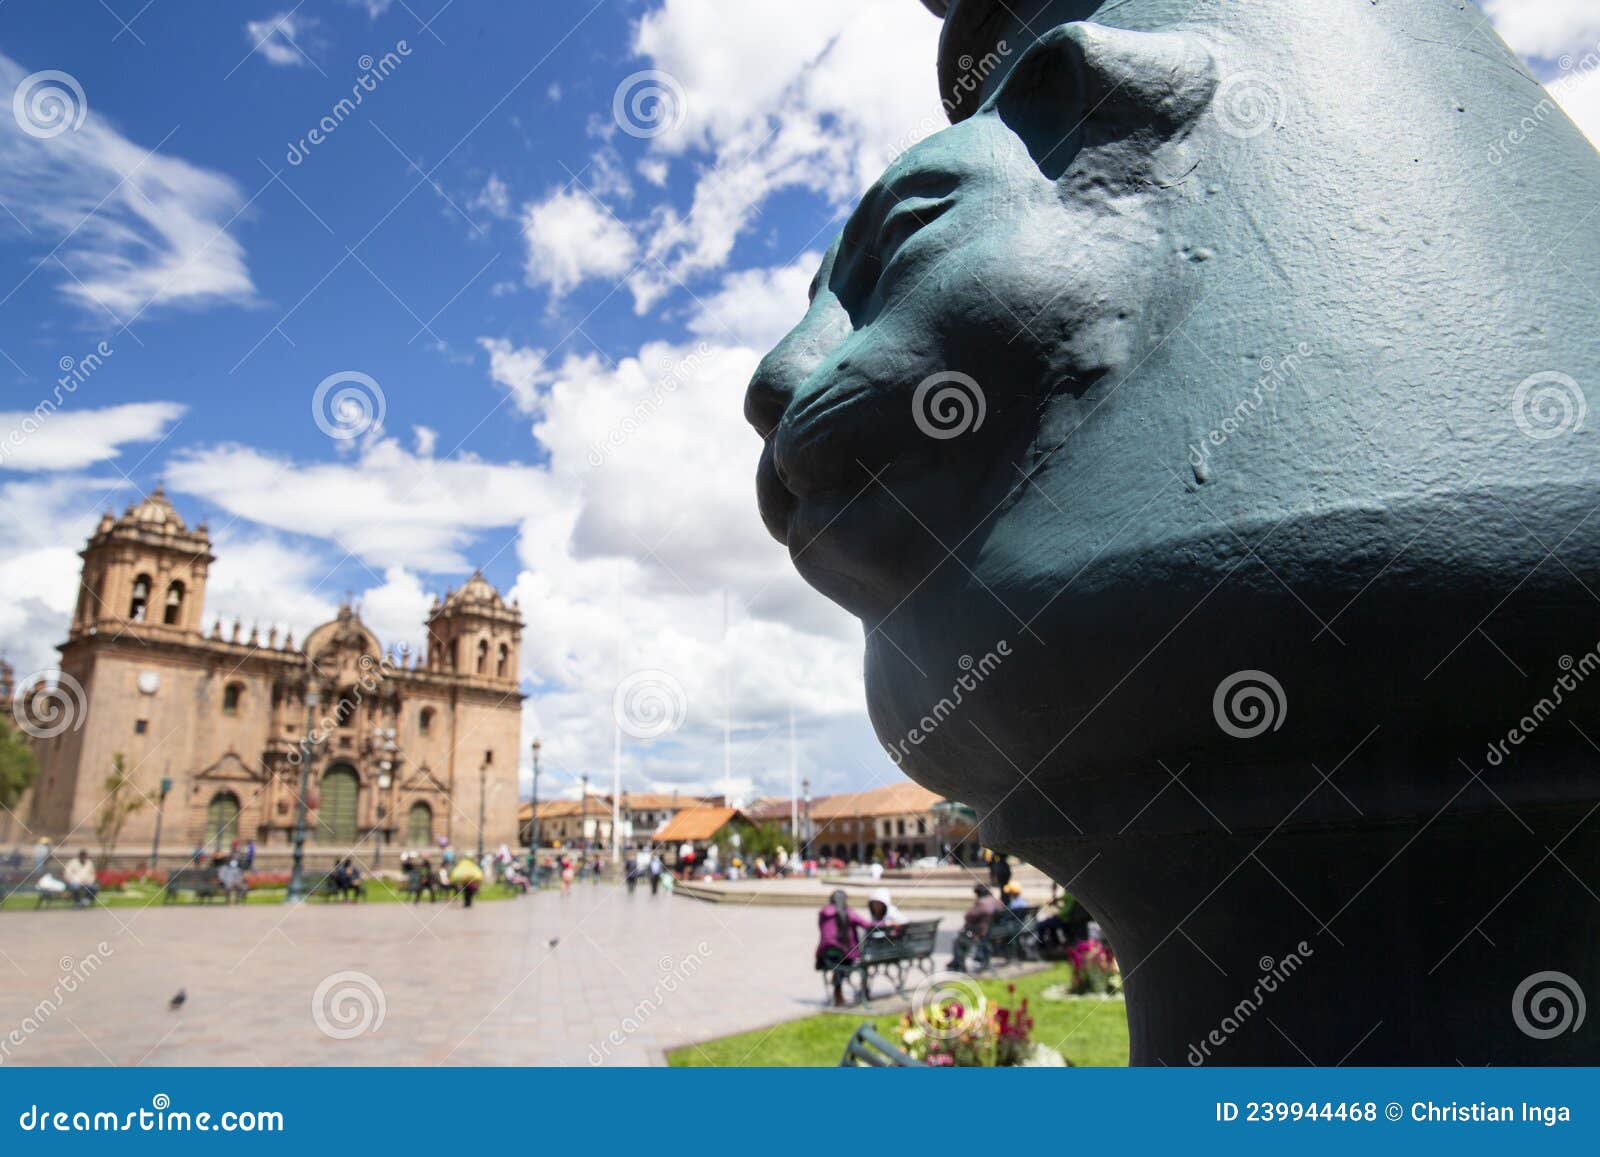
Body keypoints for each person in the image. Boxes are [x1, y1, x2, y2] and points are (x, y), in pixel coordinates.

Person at [815, 889, 872, 1006]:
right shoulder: (849, 913)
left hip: (825, 956)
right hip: (845, 955)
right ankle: (843, 989)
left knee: (839, 960)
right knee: (843, 960)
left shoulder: (823, 913)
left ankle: (838, 989)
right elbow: (867, 924)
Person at [950, 884, 1002, 972]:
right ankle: (957, 962)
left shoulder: (982, 903)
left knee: (958, 940)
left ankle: (959, 964)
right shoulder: (996, 901)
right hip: (995, 932)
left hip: (981, 932)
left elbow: (968, 916)